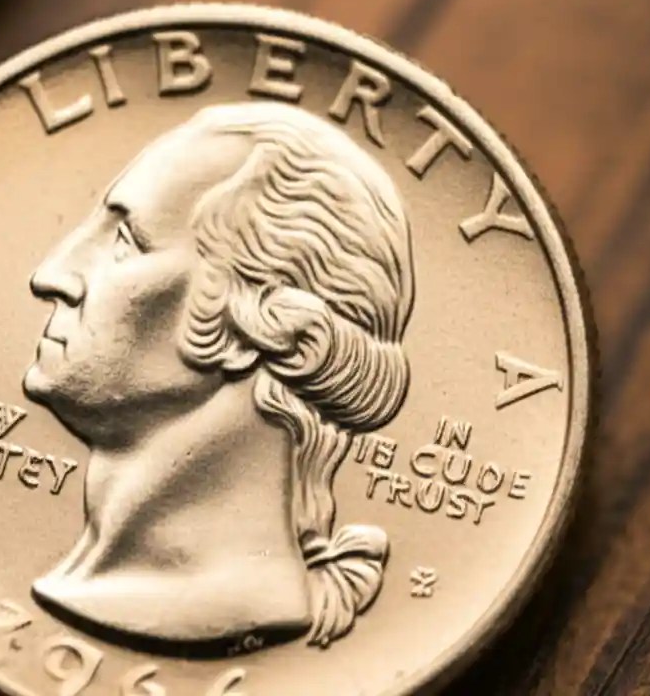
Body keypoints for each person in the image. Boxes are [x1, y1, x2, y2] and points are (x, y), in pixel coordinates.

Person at [23, 101, 414, 654]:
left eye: (125, 242)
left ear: (263, 323)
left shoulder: (233, 608)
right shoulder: (88, 584)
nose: (51, 274)